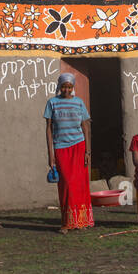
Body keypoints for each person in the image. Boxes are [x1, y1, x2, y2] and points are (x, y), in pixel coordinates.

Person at [44, 73, 93, 232]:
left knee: (79, 184)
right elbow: (49, 130)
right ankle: (66, 222)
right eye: (64, 86)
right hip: (60, 148)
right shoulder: (52, 103)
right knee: (66, 184)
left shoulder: (79, 103)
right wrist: (50, 154)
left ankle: (80, 221)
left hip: (78, 147)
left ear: (73, 88)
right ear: (59, 86)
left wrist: (87, 151)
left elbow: (85, 127)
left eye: (69, 87)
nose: (66, 89)